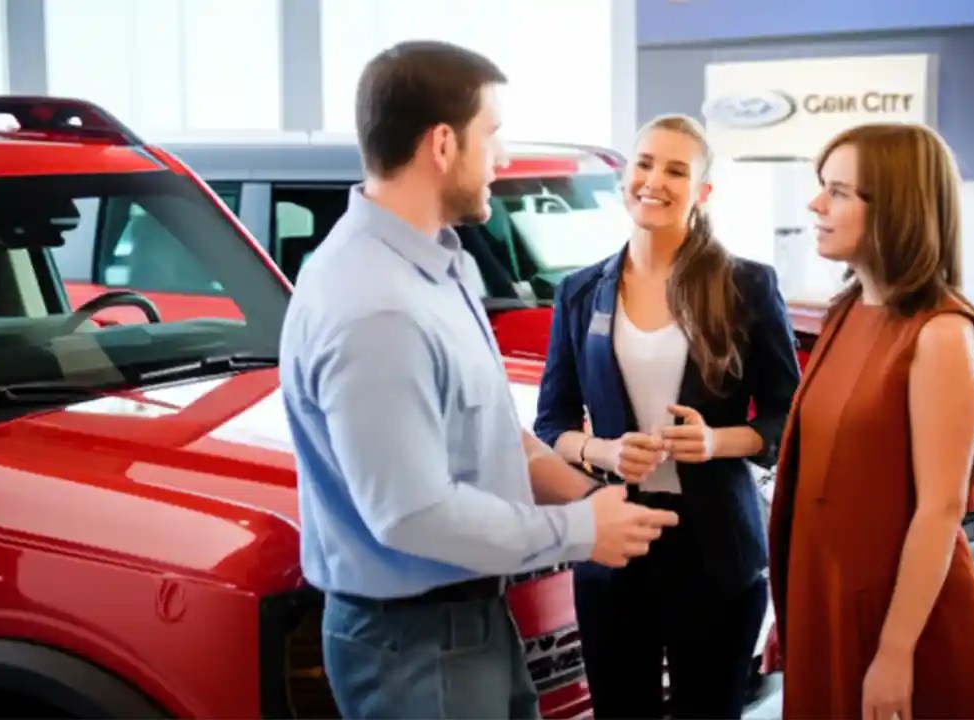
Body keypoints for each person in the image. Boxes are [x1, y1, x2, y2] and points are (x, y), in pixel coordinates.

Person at [277, 40, 680, 720]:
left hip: (471, 626)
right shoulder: (375, 307)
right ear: (442, 144)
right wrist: (578, 530)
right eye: (491, 136)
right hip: (412, 645)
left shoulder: (444, 266)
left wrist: (597, 499)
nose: (503, 158)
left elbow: (495, 434)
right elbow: (413, 513)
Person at [533, 113, 801, 719]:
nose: (655, 180)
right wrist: (600, 452)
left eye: (677, 170)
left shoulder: (746, 285)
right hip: (615, 540)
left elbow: (790, 418)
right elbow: (551, 422)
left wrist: (715, 441)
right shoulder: (581, 291)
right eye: (645, 163)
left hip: (716, 549)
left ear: (702, 192)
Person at [767, 123, 974, 720]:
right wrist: (795, 611)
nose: (816, 205)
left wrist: (896, 652)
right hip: (831, 604)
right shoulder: (847, 311)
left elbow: (940, 509)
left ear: (897, 208)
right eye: (823, 187)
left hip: (900, 621)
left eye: (839, 192)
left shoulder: (940, 334)